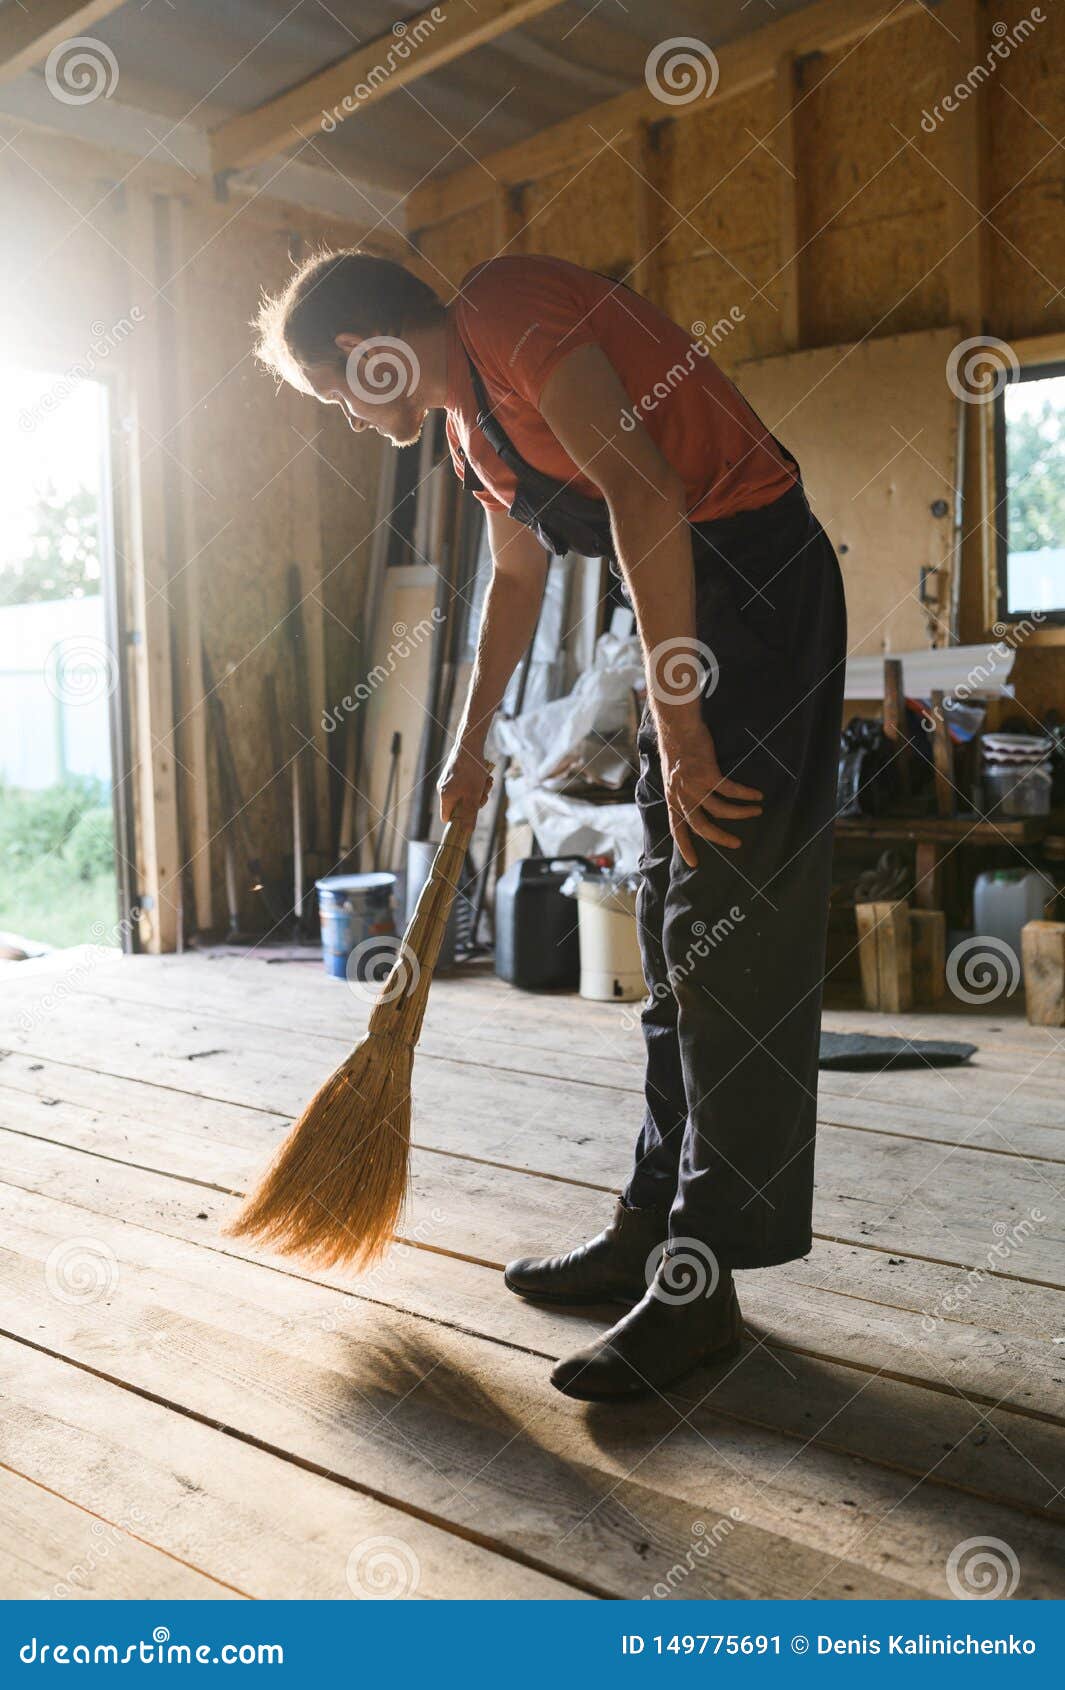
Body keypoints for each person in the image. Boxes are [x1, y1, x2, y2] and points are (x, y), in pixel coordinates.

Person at [255, 249, 847, 1403]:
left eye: (333, 390)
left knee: (732, 931)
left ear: (363, 346)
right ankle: (649, 1226)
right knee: (684, 944)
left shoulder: (506, 311)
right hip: (692, 605)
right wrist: (469, 744)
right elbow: (515, 585)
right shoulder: (471, 426)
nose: (343, 412)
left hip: (758, 594)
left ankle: (701, 1281)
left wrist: (680, 734)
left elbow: (643, 489)